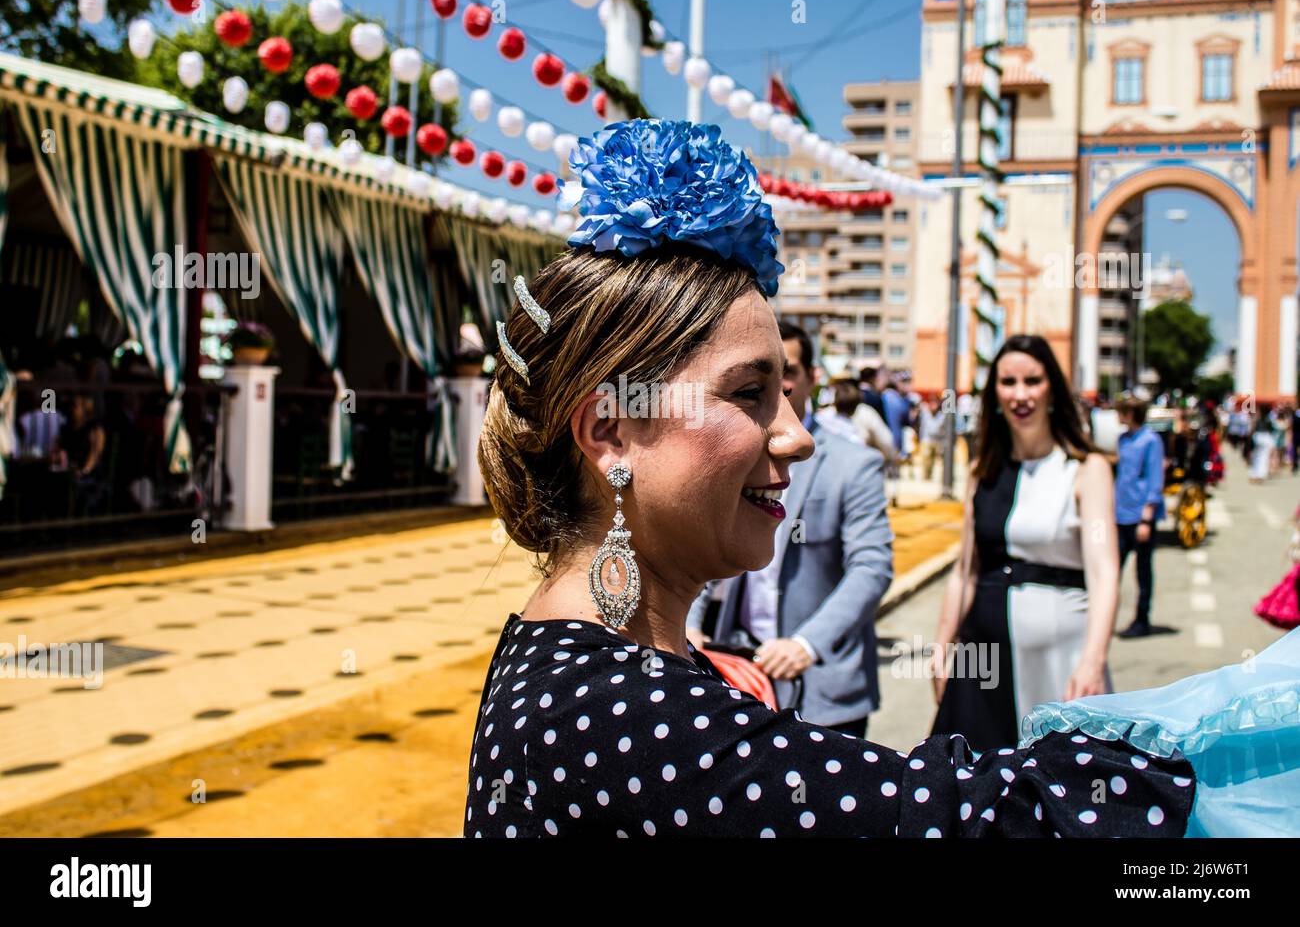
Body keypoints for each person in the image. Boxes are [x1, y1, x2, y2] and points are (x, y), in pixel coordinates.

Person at [465, 118, 1300, 838]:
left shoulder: (591, 666)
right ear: (611, 430)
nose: (794, 436)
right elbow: (966, 820)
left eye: (789, 394)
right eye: (750, 394)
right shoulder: (616, 716)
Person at [686, 322, 893, 739]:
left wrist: (806, 644)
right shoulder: (736, 453)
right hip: (735, 674)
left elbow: (871, 567)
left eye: (790, 372)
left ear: (814, 378)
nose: (779, 388)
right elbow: (707, 543)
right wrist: (689, 626)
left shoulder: (853, 465)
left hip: (820, 688)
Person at [930, 335, 1117, 752]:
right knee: (973, 790)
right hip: (983, 658)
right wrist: (942, 645)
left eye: (1032, 381)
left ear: (1052, 388)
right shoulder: (983, 470)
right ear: (994, 392)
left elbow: (1104, 572)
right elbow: (967, 570)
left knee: (1064, 787)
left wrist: (1094, 658)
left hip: (1062, 655)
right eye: (1007, 382)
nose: (1020, 394)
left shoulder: (1087, 470)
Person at [1113, 397, 1164, 639]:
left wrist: (1147, 518)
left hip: (1140, 515)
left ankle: (1142, 619)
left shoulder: (1150, 441)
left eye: (1121, 411)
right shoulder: (1122, 439)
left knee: (1142, 571)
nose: (1117, 415)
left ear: (1131, 413)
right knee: (1113, 569)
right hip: (1120, 513)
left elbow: (1154, 479)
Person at [1250, 413, 1274, 483]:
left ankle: (1255, 475)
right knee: (1263, 457)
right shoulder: (1269, 420)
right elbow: (1271, 430)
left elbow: (1252, 430)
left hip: (1258, 437)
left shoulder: (1257, 420)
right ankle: (1260, 475)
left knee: (1256, 457)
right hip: (1265, 438)